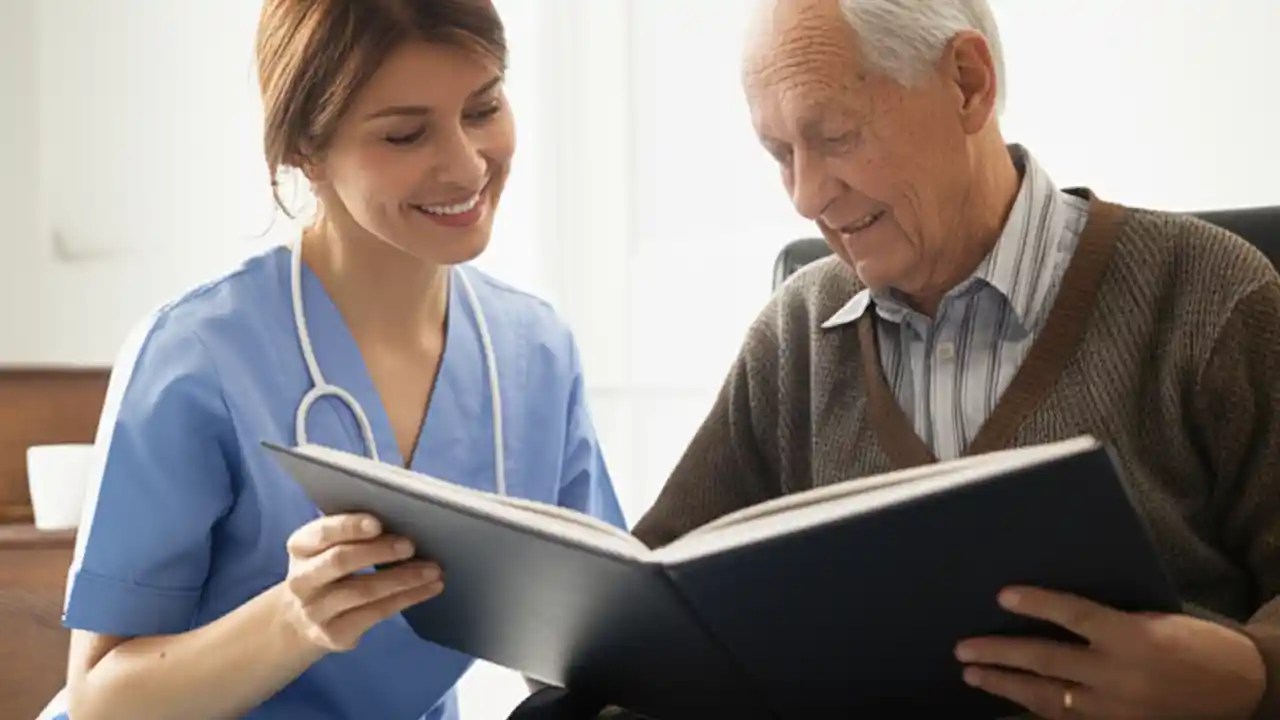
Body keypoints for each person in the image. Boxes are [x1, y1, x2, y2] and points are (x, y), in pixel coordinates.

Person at [631, 1, 1280, 719]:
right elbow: (652, 610)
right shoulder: (799, 335)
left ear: (969, 84)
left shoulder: (1210, 295)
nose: (806, 195)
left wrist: (1249, 677)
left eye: (837, 136)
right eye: (781, 154)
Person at [54, 1, 625, 718]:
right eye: (406, 133)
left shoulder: (536, 355)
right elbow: (103, 702)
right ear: (303, 149)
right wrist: (295, 620)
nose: (467, 163)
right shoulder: (196, 357)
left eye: (482, 109)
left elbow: (594, 649)